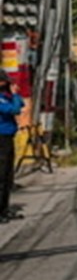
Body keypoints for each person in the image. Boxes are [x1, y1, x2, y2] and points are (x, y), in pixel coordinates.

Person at [0, 70, 25, 222]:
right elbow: (15, 109)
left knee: (8, 176)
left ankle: (5, 208)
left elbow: (21, 104)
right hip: (1, 139)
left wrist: (14, 94)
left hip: (8, 138)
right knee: (1, 176)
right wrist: (14, 94)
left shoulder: (5, 97)